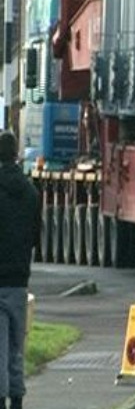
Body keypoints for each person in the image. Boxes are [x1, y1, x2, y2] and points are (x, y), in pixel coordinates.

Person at [0, 131, 41, 409]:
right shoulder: (30, 192)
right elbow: (36, 236)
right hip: (19, 278)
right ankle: (17, 399)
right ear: (16, 154)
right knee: (16, 345)